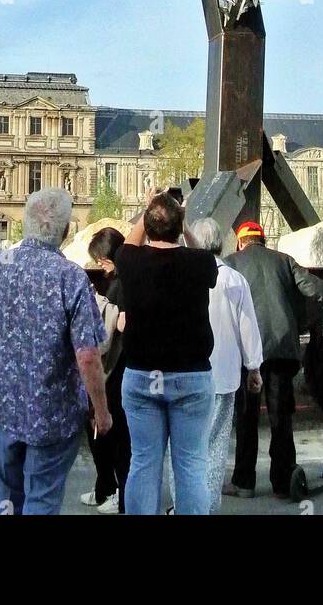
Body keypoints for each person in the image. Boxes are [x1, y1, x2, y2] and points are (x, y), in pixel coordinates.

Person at [0, 187, 111, 516]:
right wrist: (101, 411)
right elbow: (87, 356)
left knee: (7, 498)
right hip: (52, 414)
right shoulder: (70, 278)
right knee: (41, 499)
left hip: (1, 409)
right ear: (66, 230)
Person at [115, 191, 217, 515]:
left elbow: (130, 242)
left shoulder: (130, 261)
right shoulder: (200, 263)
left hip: (142, 373)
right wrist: (185, 223)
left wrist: (148, 209)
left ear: (147, 224)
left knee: (143, 463)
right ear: (179, 227)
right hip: (191, 374)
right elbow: (204, 255)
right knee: (190, 466)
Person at [224, 218, 323, 499]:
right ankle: (284, 482)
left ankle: (244, 482)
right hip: (283, 350)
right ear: (263, 240)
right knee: (280, 418)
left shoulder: (231, 263)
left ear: (240, 241)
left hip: (249, 354)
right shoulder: (285, 261)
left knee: (246, 417)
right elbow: (317, 290)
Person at [183, 218, 263, 513]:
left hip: (188, 374)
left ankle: (184, 503)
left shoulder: (184, 277)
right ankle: (208, 505)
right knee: (215, 444)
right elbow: (248, 327)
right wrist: (254, 367)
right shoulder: (234, 280)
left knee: (185, 446)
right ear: (220, 244)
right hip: (225, 375)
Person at [79, 226, 131, 514]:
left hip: (115, 369)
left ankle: (117, 493)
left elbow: (110, 331)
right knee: (106, 434)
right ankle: (106, 488)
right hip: (113, 368)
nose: (98, 264)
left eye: (100, 258)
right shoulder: (117, 280)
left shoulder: (119, 285)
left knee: (113, 435)